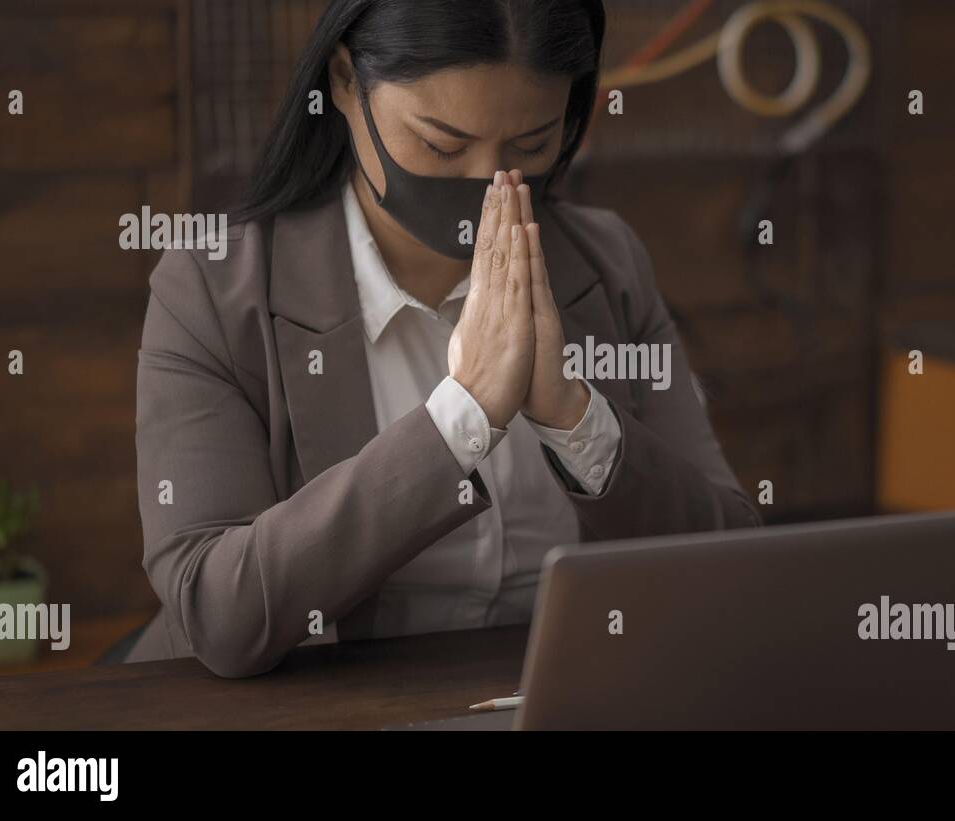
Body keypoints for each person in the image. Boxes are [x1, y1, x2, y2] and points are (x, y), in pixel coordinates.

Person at [123, 0, 759, 677]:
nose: (488, 185)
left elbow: (730, 561)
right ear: (344, 81)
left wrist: (577, 421)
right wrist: (463, 416)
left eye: (532, 146)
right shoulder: (213, 290)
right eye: (441, 145)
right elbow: (217, 610)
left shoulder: (607, 262)